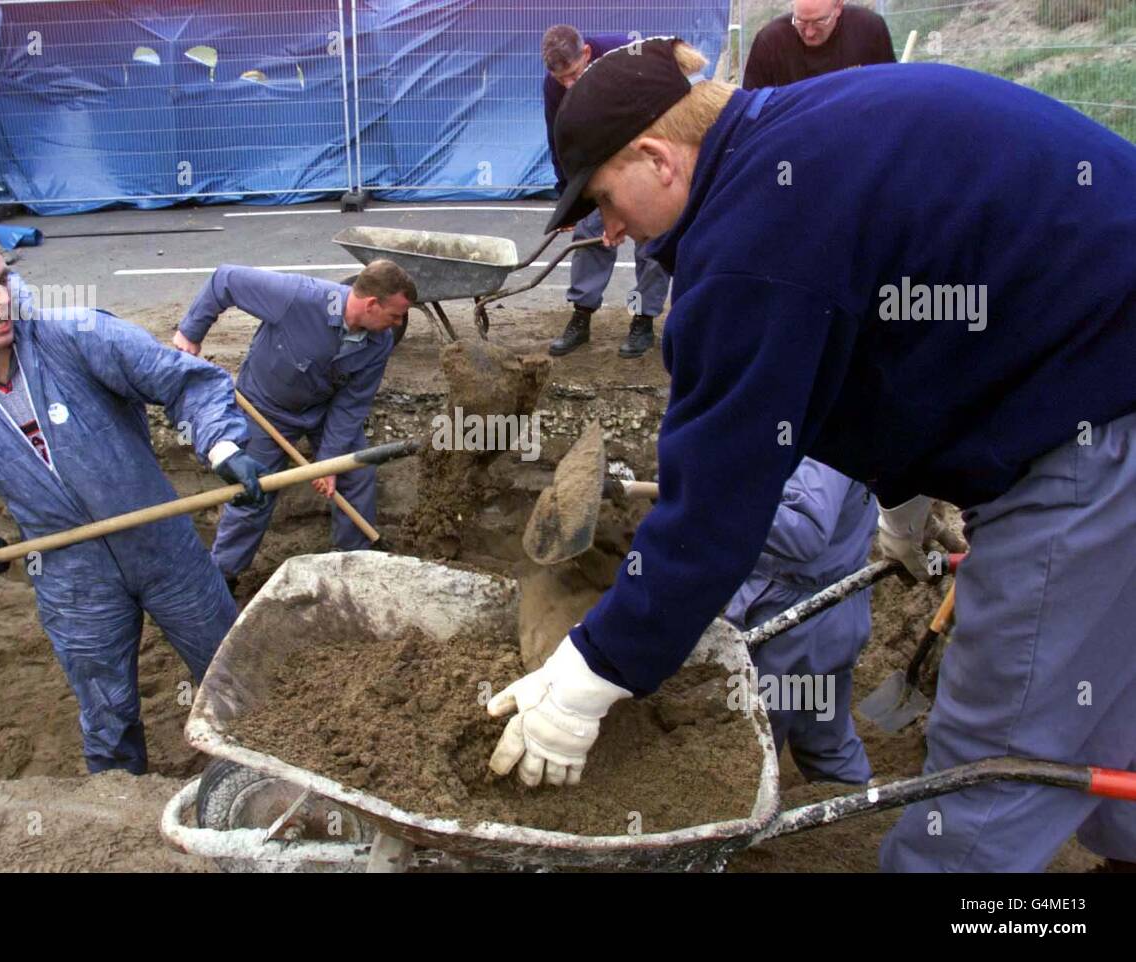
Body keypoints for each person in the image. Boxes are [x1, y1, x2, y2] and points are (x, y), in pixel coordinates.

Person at [487, 39, 1136, 873]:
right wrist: (907, 509)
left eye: (606, 202)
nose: (610, 232)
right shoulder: (794, 138)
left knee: (989, 763)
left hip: (1099, 425)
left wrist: (591, 675)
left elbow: (718, 500)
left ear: (655, 157)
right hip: (1093, 387)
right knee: (1106, 690)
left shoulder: (758, 231)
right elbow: (919, 327)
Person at [0, 218, 269, 775]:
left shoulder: (73, 333)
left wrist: (221, 448)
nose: (1, 298)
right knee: (105, 708)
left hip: (159, 541)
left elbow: (185, 381)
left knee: (231, 670)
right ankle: (115, 806)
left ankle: (268, 773)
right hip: (69, 567)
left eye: (2, 278)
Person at [173, 260, 414, 589]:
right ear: (372, 304)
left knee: (356, 472)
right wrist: (190, 333)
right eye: (396, 315)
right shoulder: (298, 297)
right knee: (254, 489)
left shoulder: (380, 342)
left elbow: (351, 404)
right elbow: (224, 279)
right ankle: (223, 576)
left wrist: (328, 463)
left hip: (323, 411)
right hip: (265, 408)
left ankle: (352, 564)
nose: (399, 324)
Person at [726, 459, 878, 784]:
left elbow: (805, 534)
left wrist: (720, 503)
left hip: (793, 620)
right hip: (835, 603)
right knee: (822, 735)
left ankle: (743, 826)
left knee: (750, 747)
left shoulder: (822, 441)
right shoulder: (851, 418)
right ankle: (856, 815)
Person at [541, 24, 670, 358]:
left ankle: (643, 320)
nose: (569, 85)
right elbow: (560, 142)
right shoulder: (554, 87)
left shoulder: (625, 58)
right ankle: (581, 317)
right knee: (589, 235)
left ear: (586, 54)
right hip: (597, 164)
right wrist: (567, 196)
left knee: (652, 239)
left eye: (573, 74)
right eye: (560, 79)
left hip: (641, 155)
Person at [743, 0, 895, 89]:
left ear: (838, 7)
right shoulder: (770, 41)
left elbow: (888, 88)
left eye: (819, 22)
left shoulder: (868, 28)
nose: (809, 32)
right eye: (800, 21)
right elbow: (752, 107)